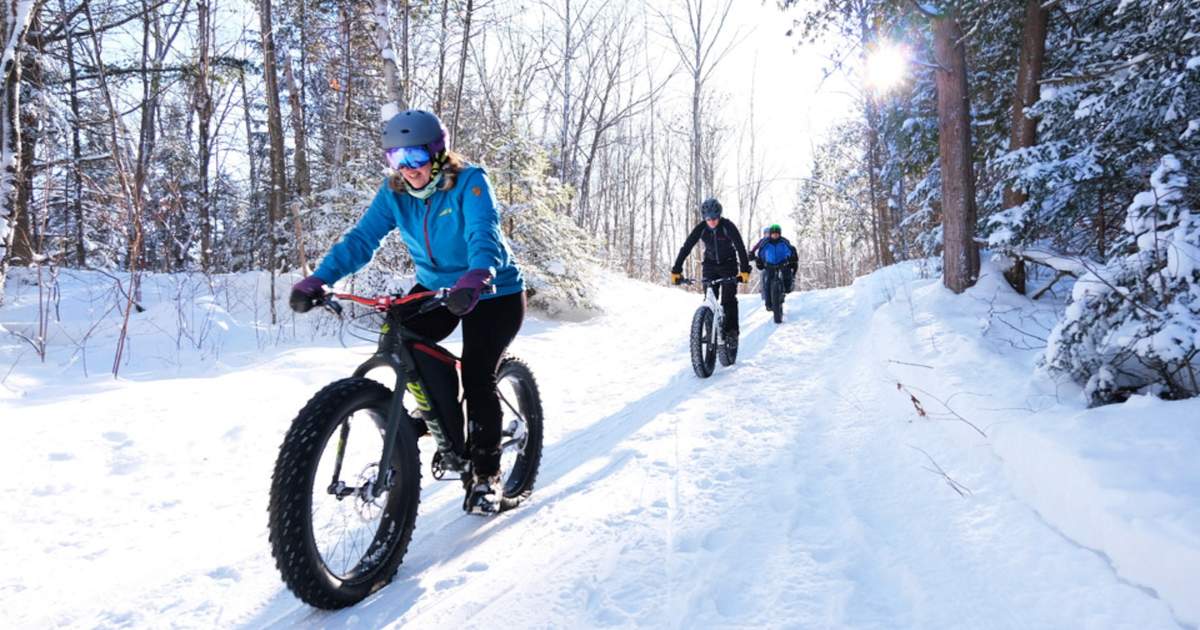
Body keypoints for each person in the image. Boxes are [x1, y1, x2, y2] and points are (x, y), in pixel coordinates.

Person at [289, 109, 524, 515]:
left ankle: (485, 476)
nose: (408, 169)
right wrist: (321, 278)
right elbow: (362, 240)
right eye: (398, 159)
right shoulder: (394, 193)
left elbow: (482, 234)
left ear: (437, 153)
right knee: (398, 338)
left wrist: (478, 275)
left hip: (492, 290)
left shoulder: (470, 182)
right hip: (438, 287)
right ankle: (437, 413)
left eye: (416, 158)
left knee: (477, 372)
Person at [670, 198, 751, 345]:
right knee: (709, 297)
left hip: (729, 265)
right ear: (704, 218)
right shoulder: (701, 228)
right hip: (710, 265)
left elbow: (740, 247)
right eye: (708, 218)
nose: (712, 221)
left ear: (719, 215)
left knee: (728, 299)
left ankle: (732, 332)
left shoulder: (727, 226)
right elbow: (686, 247)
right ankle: (709, 330)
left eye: (714, 218)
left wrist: (744, 270)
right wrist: (676, 270)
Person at [750, 224, 798, 306]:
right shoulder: (765, 242)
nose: (775, 235)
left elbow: (790, 250)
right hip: (770, 264)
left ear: (780, 234)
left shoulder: (784, 241)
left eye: (777, 234)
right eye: (773, 234)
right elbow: (761, 252)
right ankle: (768, 303)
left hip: (782, 263)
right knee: (767, 282)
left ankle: (787, 287)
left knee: (786, 274)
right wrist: (759, 260)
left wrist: (791, 257)